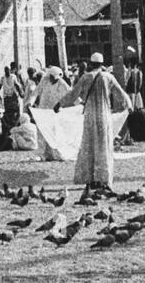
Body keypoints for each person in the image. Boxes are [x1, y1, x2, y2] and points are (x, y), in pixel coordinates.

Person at [55, 52, 130, 190]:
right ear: (101, 64)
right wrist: (128, 105)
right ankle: (103, 179)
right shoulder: (108, 77)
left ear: (90, 63)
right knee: (103, 146)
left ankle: (89, 178)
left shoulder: (85, 77)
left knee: (89, 146)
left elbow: (73, 94)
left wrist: (59, 104)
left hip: (90, 115)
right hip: (104, 115)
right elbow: (120, 93)